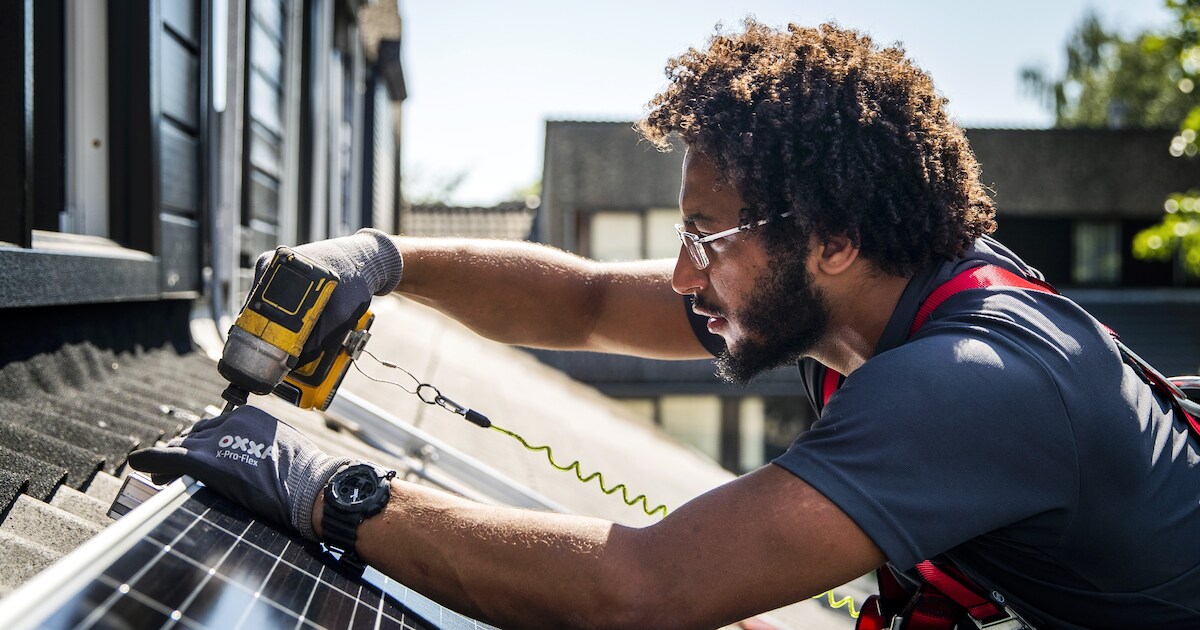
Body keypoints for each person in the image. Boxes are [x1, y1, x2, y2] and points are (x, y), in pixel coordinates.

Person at [129, 19, 1200, 628]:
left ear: (831, 237)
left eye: (706, 235)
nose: (685, 271)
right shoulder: (862, 297)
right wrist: (383, 260)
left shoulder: (968, 381)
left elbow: (636, 590)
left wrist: (323, 487)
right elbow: (590, 302)